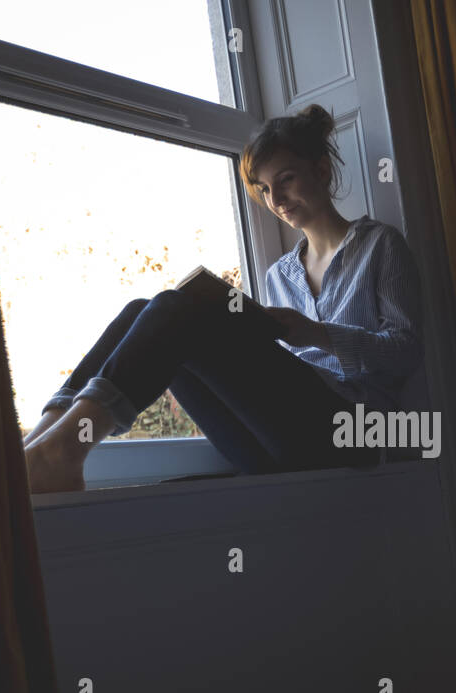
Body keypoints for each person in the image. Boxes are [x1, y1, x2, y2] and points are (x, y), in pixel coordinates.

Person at [22, 103, 424, 493]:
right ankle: (38, 446)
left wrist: (317, 334)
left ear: (320, 170)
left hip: (353, 433)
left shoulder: (379, 246)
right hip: (276, 443)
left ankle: (60, 454)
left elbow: (405, 353)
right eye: (265, 189)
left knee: (174, 310)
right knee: (141, 312)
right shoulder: (280, 274)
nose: (276, 199)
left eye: (285, 179)